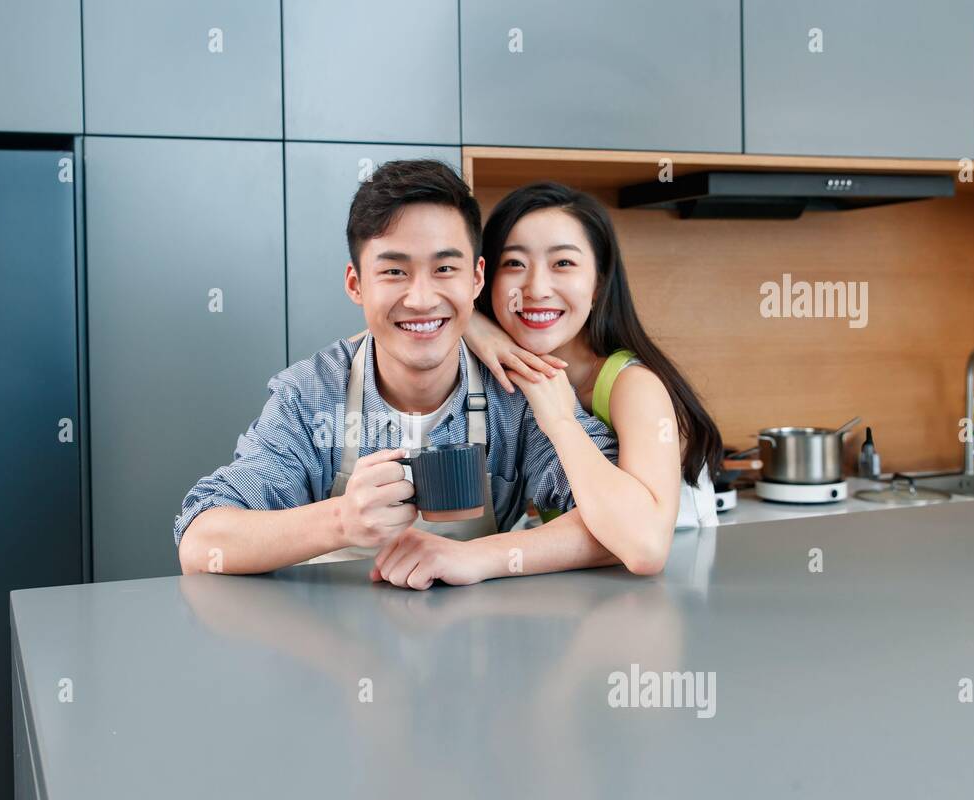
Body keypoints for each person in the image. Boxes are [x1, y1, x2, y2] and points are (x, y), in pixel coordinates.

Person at [175, 160, 624, 588]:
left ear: (476, 278)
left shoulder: (515, 394)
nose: (422, 298)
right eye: (394, 271)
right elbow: (201, 541)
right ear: (356, 284)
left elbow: (618, 522)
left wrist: (480, 557)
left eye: (445, 268)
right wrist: (342, 519)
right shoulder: (311, 394)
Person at [464, 182, 724, 575]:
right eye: (514, 263)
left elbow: (644, 548)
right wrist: (469, 323)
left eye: (563, 264)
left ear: (599, 283)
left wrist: (561, 421)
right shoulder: (499, 378)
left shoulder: (632, 386)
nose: (535, 288)